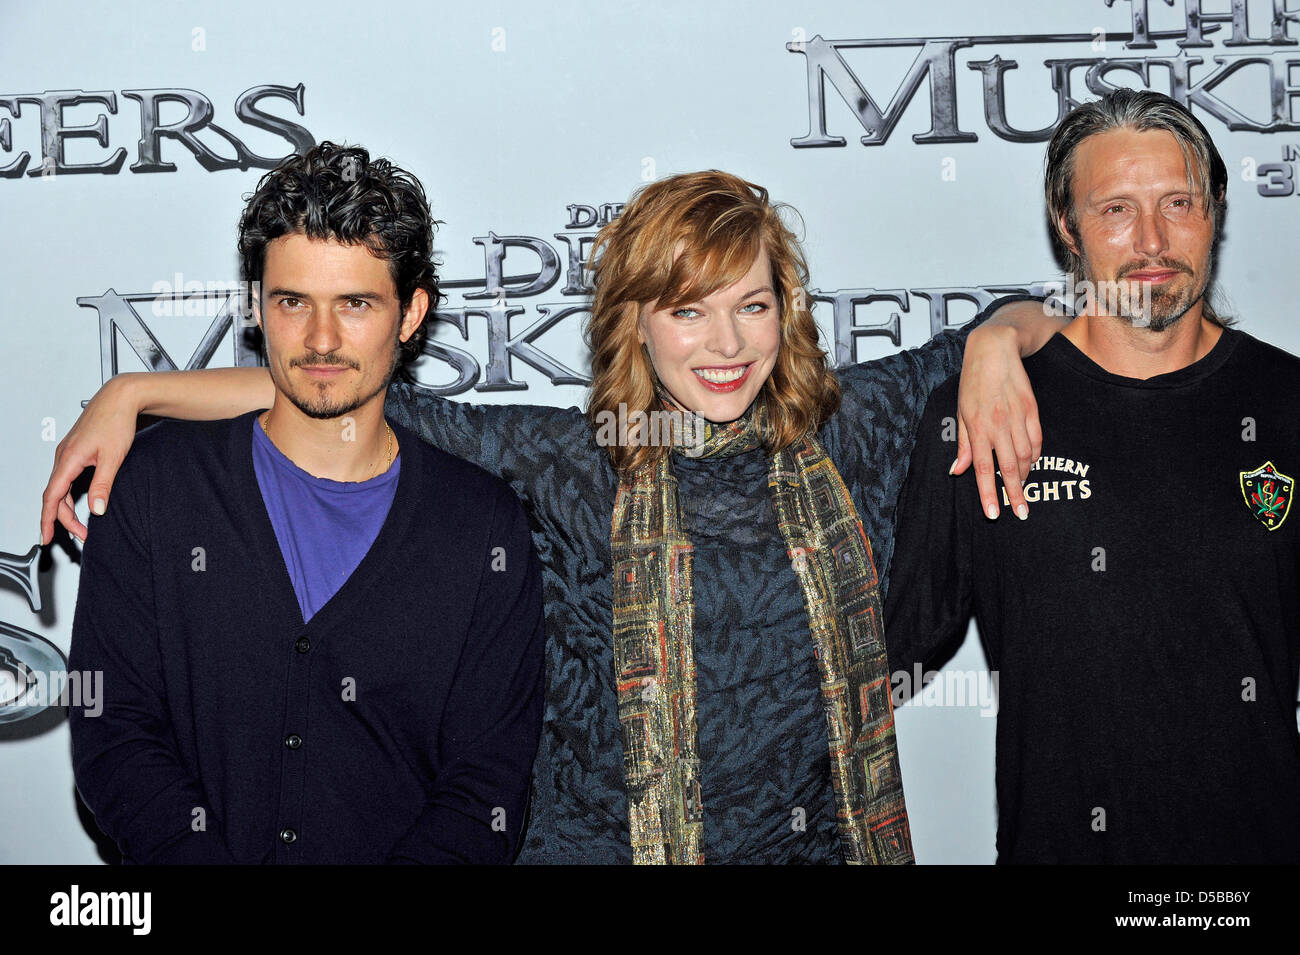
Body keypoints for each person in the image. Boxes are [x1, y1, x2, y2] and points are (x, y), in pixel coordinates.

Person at [46, 165, 1061, 864]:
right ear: (635, 323)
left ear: (785, 311)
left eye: (750, 304)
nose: (725, 341)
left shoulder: (856, 425)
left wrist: (989, 349)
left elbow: (1043, 316)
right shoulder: (574, 459)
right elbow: (348, 387)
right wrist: (136, 393)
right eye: (686, 308)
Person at [67, 142, 546, 864]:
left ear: (411, 313)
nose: (322, 340)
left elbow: (488, 789)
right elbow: (115, 735)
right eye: (294, 302)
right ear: (258, 306)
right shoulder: (155, 490)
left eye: (356, 303)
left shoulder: (483, 528)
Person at [885, 89, 1300, 863]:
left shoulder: (1289, 407)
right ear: (1066, 225)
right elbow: (876, 655)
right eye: (1114, 210)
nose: (1151, 240)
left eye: (1178, 202)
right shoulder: (980, 415)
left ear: (1215, 209)